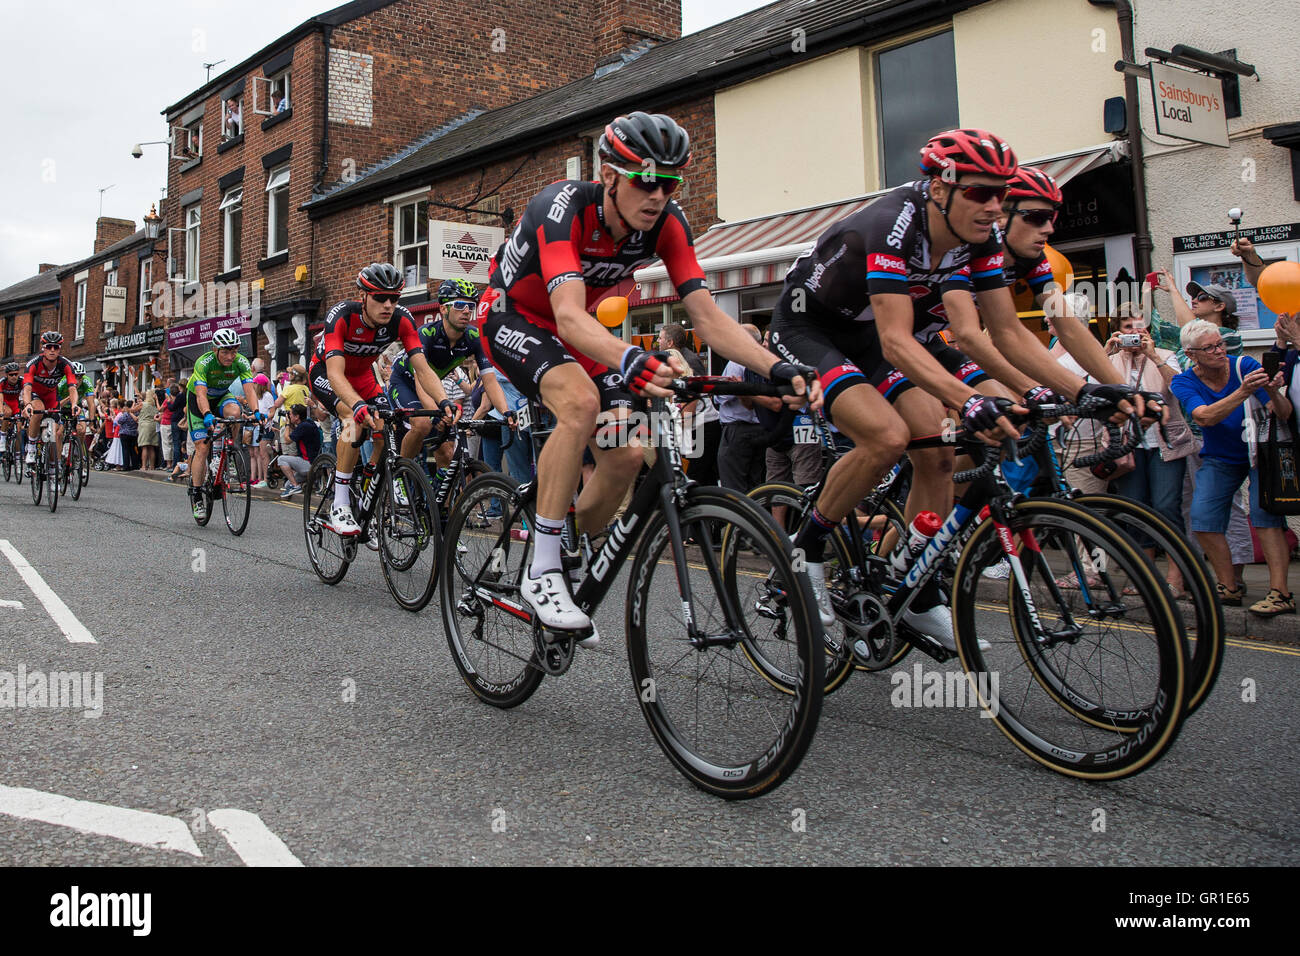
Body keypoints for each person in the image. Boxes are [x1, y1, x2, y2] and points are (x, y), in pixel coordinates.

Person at [766, 129, 1135, 645]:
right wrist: (972, 399)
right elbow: (908, 340)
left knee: (938, 450)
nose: (994, 207)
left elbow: (1008, 332)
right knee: (886, 436)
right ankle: (803, 554)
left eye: (1000, 194)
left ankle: (912, 589)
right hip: (811, 328)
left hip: (876, 337)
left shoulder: (983, 240)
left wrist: (1096, 391)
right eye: (981, 192)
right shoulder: (895, 225)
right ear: (939, 188)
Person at [478, 111, 816, 635]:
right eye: (646, 181)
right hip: (512, 316)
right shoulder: (562, 207)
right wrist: (630, 356)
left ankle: (567, 543)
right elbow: (567, 315)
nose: (658, 195)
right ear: (609, 175)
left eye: (669, 183)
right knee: (580, 403)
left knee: (628, 453)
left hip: (579, 330)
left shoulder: (667, 223)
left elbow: (707, 317)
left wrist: (777, 366)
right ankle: (541, 571)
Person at [309, 263, 452, 535]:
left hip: (364, 376)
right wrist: (357, 405)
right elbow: (335, 373)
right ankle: (340, 504)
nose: (388, 305)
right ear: (363, 296)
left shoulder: (402, 319)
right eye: (380, 298)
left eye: (394, 298)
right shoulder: (341, 316)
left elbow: (422, 369)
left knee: (388, 430)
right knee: (352, 420)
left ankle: (368, 490)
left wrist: (443, 401)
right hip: (327, 373)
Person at [1170, 319, 1294, 616]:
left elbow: (1284, 413)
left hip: (1260, 452)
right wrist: (1243, 391)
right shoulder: (1183, 381)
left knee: (1265, 515)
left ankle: (1280, 593)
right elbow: (1203, 417)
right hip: (1220, 457)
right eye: (1210, 348)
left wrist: (1273, 392)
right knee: (1203, 517)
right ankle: (1229, 586)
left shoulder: (1244, 366)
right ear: (1191, 354)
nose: (1219, 351)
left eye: (1220, 344)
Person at [1105, 306, 1196, 594]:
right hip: (1127, 445)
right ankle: (1145, 576)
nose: (1135, 333)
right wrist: (1105, 354)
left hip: (1163, 444)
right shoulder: (1109, 360)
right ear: (1117, 332)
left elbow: (1179, 388)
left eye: (1140, 327)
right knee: (1135, 508)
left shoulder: (1165, 356)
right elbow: (1093, 392)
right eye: (1128, 327)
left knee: (1166, 506)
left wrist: (1154, 356)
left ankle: (1176, 577)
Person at [386, 278, 510, 475]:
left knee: (447, 452)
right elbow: (421, 378)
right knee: (423, 424)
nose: (467, 311)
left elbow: (489, 380)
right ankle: (399, 475)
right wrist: (435, 412)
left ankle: (441, 494)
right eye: (459, 305)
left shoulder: (474, 337)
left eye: (471, 306)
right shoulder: (426, 334)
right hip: (405, 382)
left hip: (432, 387)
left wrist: (506, 412)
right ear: (443, 309)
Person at [186, 329, 262, 518]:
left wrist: (256, 411)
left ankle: (227, 454)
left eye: (233, 351)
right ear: (215, 349)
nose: (230, 356)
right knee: (202, 448)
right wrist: (206, 414)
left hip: (221, 396)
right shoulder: (204, 362)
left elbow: (250, 390)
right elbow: (201, 394)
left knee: (235, 413)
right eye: (226, 352)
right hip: (198, 400)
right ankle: (197, 495)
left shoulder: (241, 362)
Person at [715, 324, 772, 492]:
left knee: (733, 484)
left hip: (738, 429)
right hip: (760, 427)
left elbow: (724, 394)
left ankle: (738, 510)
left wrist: (715, 392)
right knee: (754, 483)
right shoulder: (765, 362)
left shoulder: (737, 361)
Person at [20, 331, 79, 471]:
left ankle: (53, 470)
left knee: (54, 435)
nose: (52, 350)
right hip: (35, 395)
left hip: (52, 398)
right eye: (49, 347)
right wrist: (27, 405)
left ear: (59, 349)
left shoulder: (66, 364)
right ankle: (32, 448)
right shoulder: (33, 364)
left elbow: (72, 388)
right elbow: (27, 388)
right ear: (43, 348)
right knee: (38, 409)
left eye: (56, 347)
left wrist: (74, 404)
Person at [277, 404, 320, 497]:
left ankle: (296, 486)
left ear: (297, 417)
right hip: (311, 464)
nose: (289, 416)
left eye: (290, 414)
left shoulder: (304, 426)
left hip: (309, 464)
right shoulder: (308, 423)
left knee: (281, 459)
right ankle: (305, 484)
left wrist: (287, 424)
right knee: (287, 485)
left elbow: (287, 440)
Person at [137, 388, 161, 471]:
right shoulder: (155, 406)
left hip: (145, 426)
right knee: (151, 447)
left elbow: (133, 410)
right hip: (153, 426)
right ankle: (152, 466)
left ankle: (144, 466)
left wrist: (129, 409)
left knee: (144, 446)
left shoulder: (143, 404)